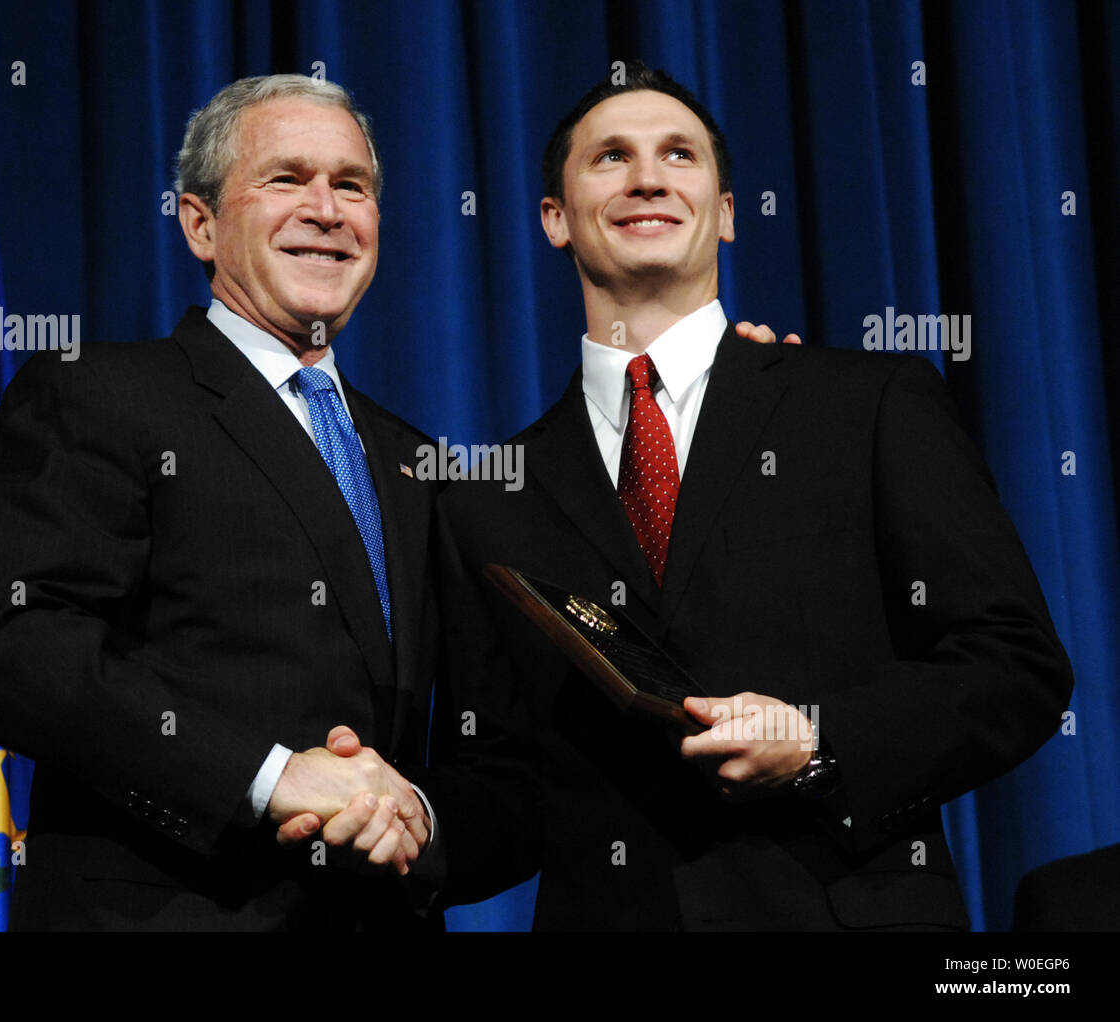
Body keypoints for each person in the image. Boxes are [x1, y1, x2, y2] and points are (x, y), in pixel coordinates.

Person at [419, 62, 1075, 929]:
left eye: (679, 155)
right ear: (555, 219)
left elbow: (1016, 664)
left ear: (727, 213)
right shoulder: (491, 496)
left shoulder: (867, 404)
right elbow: (506, 788)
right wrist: (405, 820)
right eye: (611, 157)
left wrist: (818, 739)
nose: (647, 176)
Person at [0, 75, 443, 930]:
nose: (327, 209)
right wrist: (269, 773)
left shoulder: (413, 460)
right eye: (286, 179)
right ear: (200, 223)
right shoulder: (100, 392)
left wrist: (419, 820)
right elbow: (13, 645)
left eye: (351, 185)